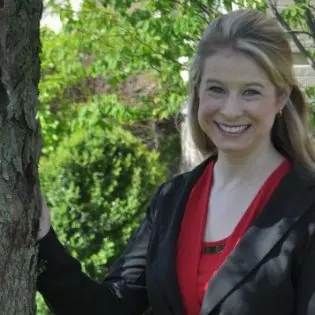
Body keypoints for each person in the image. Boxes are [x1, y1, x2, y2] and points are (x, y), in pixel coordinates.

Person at [37, 9, 315, 315]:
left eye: (251, 91)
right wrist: (43, 241)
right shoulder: (171, 201)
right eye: (216, 89)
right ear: (196, 92)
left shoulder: (307, 206)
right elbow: (113, 307)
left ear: (280, 99)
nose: (231, 110)